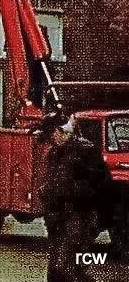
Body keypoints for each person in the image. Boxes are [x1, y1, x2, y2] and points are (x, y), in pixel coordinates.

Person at [39, 115, 112, 282]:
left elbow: (101, 186)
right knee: (56, 269)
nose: (51, 140)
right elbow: (52, 181)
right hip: (58, 219)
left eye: (52, 135)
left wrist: (97, 217)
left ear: (60, 131)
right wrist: (46, 195)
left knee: (68, 266)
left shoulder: (84, 151)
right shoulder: (54, 152)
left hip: (79, 216)